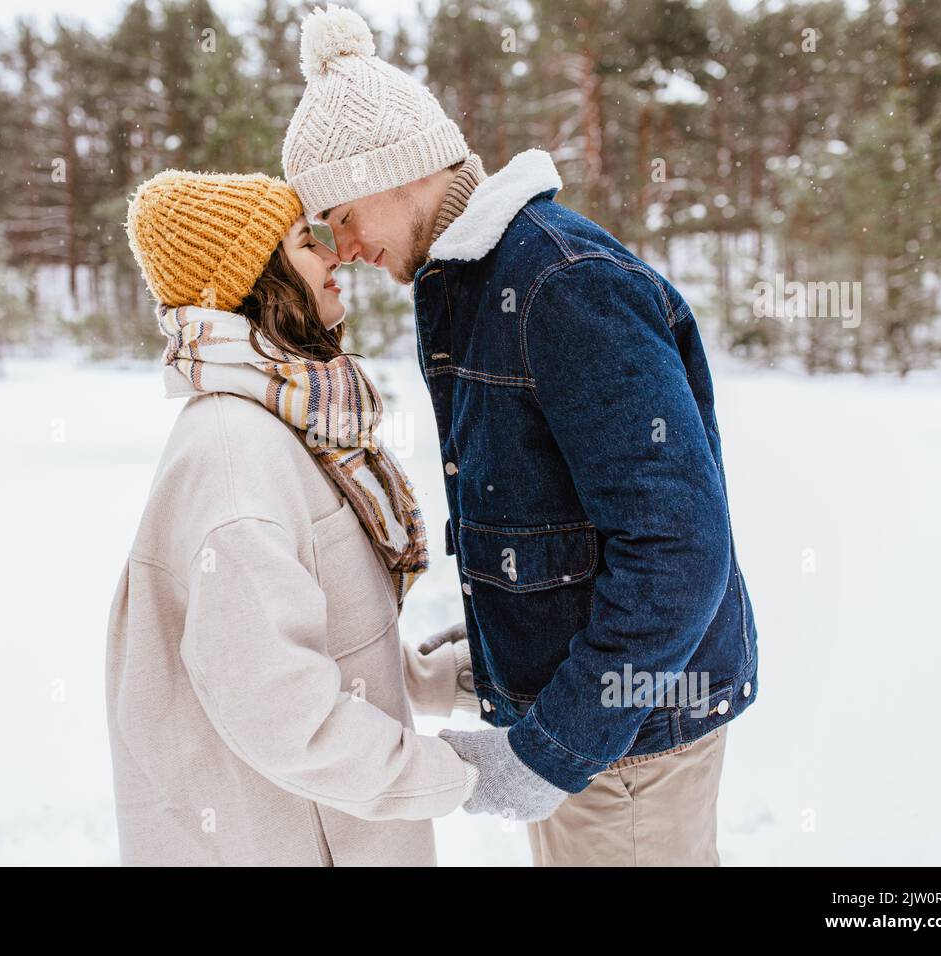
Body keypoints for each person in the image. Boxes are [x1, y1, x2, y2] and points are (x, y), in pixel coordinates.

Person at [279, 3, 760, 865]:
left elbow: (677, 554)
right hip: (592, 734)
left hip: (628, 751)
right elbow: (562, 514)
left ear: (398, 171)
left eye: (343, 215)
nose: (341, 248)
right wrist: (503, 640)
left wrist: (553, 753)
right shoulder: (478, 284)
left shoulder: (560, 285)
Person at [105, 168, 480, 866]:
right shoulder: (235, 461)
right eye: (305, 243)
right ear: (254, 280)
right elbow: (282, 712)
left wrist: (441, 680)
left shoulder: (282, 423)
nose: (335, 254)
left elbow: (299, 641)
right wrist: (461, 774)